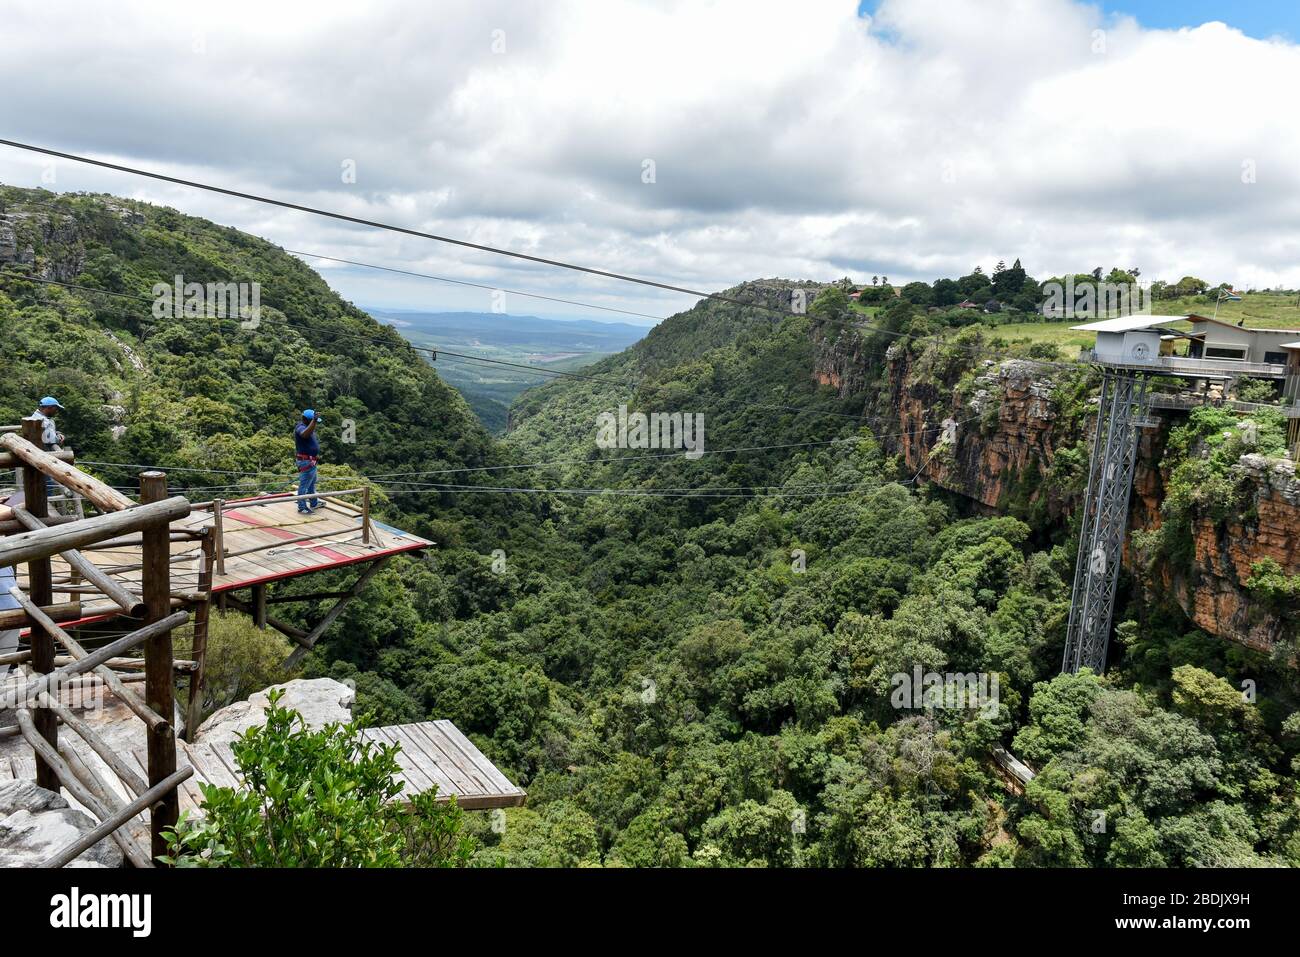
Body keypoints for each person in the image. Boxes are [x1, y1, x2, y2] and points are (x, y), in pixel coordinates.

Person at [294, 409, 321, 514]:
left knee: (311, 484)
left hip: (310, 461)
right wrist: (314, 421)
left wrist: (314, 455)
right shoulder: (301, 427)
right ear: (307, 420)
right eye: (313, 422)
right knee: (304, 486)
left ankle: (314, 502)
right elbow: (304, 435)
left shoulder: (308, 427)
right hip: (306, 462)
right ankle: (302, 507)